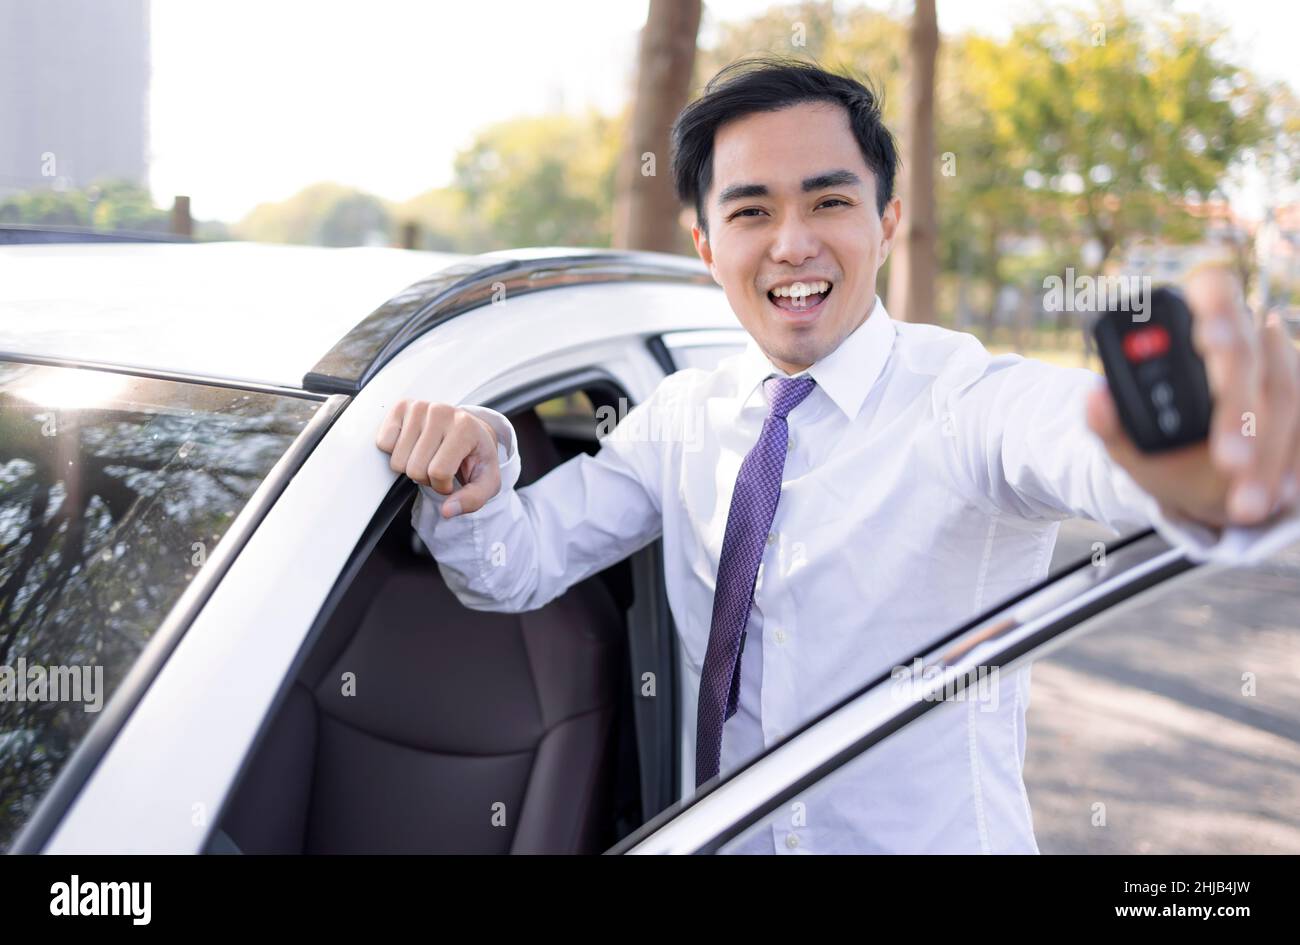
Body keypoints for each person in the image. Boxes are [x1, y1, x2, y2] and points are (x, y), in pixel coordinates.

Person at [375, 58, 1300, 853]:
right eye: (751, 211)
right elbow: (518, 563)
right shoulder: (678, 417)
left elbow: (1075, 440)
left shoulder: (965, 400)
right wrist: (473, 473)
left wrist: (1203, 471)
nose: (793, 243)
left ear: (887, 221)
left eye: (829, 200)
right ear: (706, 243)